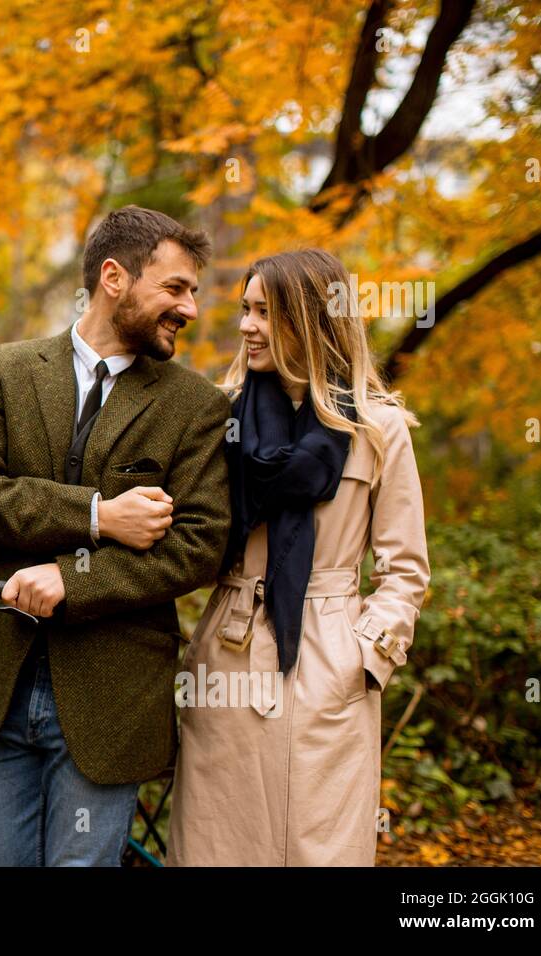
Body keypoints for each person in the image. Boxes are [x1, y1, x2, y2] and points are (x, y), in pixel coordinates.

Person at [0, 206, 232, 866]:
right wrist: (102, 515)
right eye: (175, 288)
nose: (189, 308)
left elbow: (198, 544)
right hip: (3, 680)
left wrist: (70, 579)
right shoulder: (0, 373)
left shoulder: (198, 407)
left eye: (192, 292)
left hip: (115, 694)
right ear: (114, 277)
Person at [166, 248, 430, 866]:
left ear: (308, 321)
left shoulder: (376, 426)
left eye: (264, 311)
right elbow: (189, 538)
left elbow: (405, 570)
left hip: (329, 654)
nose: (246, 325)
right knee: (217, 845)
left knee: (322, 846)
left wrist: (362, 657)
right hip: (228, 656)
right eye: (245, 309)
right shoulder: (219, 417)